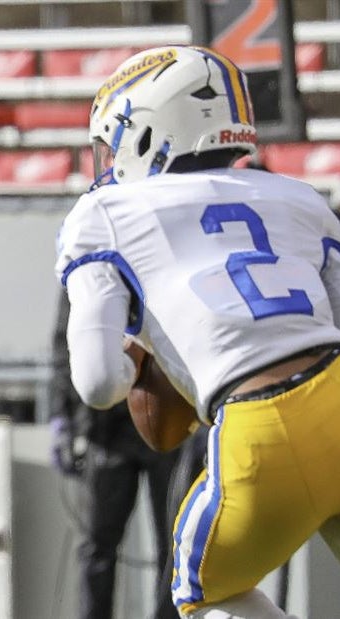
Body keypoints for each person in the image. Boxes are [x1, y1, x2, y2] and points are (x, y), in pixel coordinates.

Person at [56, 44, 340, 618]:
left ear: (144, 130)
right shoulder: (299, 196)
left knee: (200, 592)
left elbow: (99, 384)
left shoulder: (107, 214)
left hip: (259, 423)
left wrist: (144, 351)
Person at [49, 293, 179, 619]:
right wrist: (62, 418)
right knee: (97, 545)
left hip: (167, 420)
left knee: (175, 544)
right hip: (106, 429)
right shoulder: (86, 267)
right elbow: (65, 345)